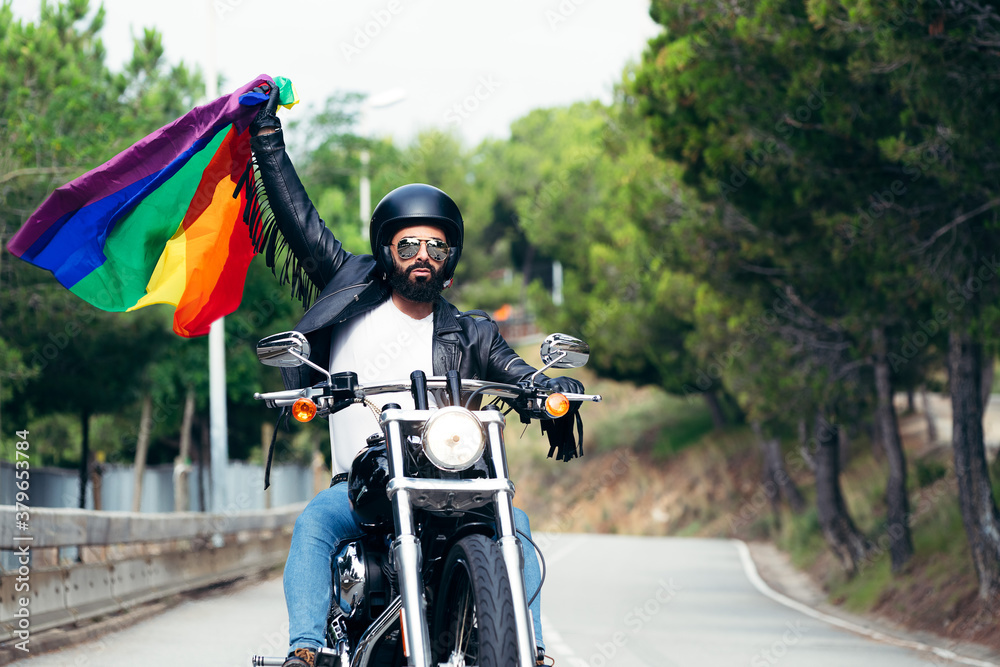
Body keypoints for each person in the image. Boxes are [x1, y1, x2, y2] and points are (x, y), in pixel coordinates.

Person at [248, 85, 582, 667]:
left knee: (517, 523)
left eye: (436, 245)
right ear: (387, 251)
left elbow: (513, 371)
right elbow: (299, 222)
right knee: (315, 525)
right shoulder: (349, 287)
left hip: (452, 483)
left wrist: (548, 389)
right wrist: (267, 137)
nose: (423, 253)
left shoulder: (471, 330)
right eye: (409, 245)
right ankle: (305, 650)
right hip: (363, 483)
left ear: (448, 259)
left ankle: (533, 651)